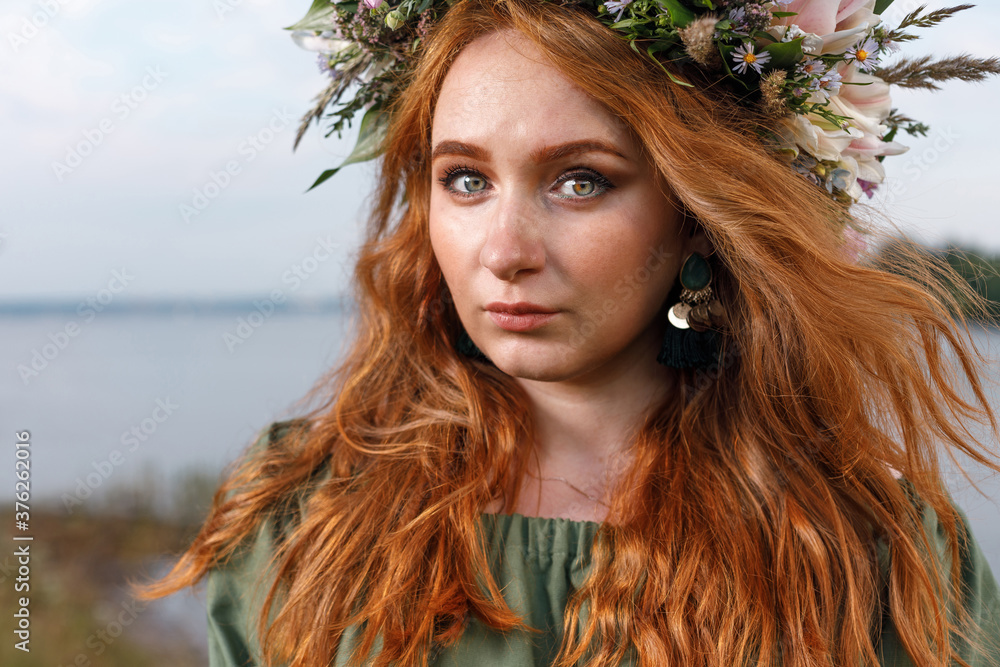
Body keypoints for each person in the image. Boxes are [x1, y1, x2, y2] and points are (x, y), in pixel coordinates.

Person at [132, 1, 1000, 666]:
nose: (504, 252)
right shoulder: (303, 511)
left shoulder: (865, 546)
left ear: (698, 214)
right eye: (466, 179)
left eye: (581, 181)